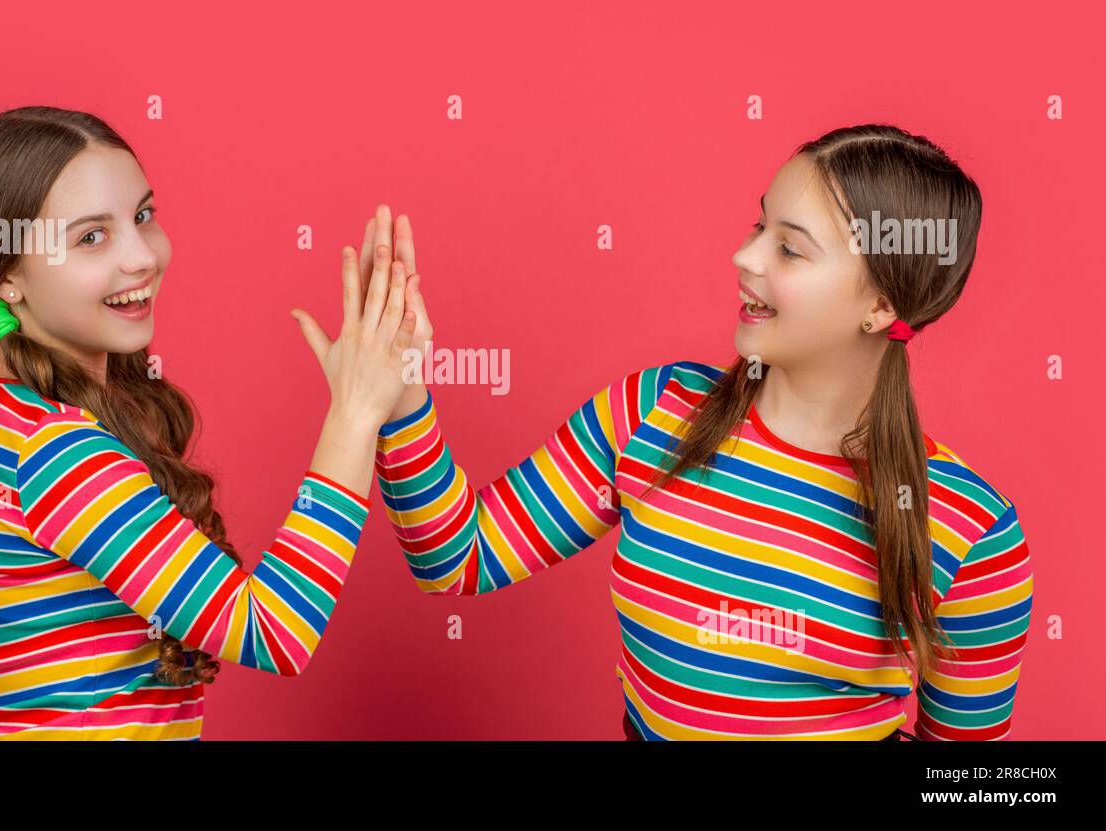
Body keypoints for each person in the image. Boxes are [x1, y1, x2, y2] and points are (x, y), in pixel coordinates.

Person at [365, 125, 1034, 740]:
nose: (744, 256)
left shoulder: (969, 529)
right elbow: (460, 558)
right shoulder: (651, 414)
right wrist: (403, 394)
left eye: (789, 248)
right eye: (758, 224)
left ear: (881, 304)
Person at [0, 106, 416, 739]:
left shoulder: (13, 416)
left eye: (142, 217)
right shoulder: (53, 452)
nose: (143, 257)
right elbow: (272, 631)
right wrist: (355, 413)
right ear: (7, 276)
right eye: (91, 237)